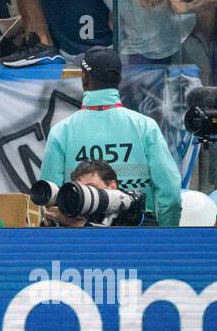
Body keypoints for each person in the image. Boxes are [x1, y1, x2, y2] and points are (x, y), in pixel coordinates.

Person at [40, 47, 183, 225]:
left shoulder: (62, 132)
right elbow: (171, 196)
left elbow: (48, 199)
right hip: (139, 237)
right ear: (119, 80)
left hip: (82, 242)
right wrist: (163, 238)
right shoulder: (145, 127)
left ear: (84, 78)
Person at [47, 159, 158, 228]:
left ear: (112, 187)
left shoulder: (132, 214)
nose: (84, 194)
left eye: (90, 188)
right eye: (80, 189)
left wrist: (79, 225)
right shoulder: (74, 214)